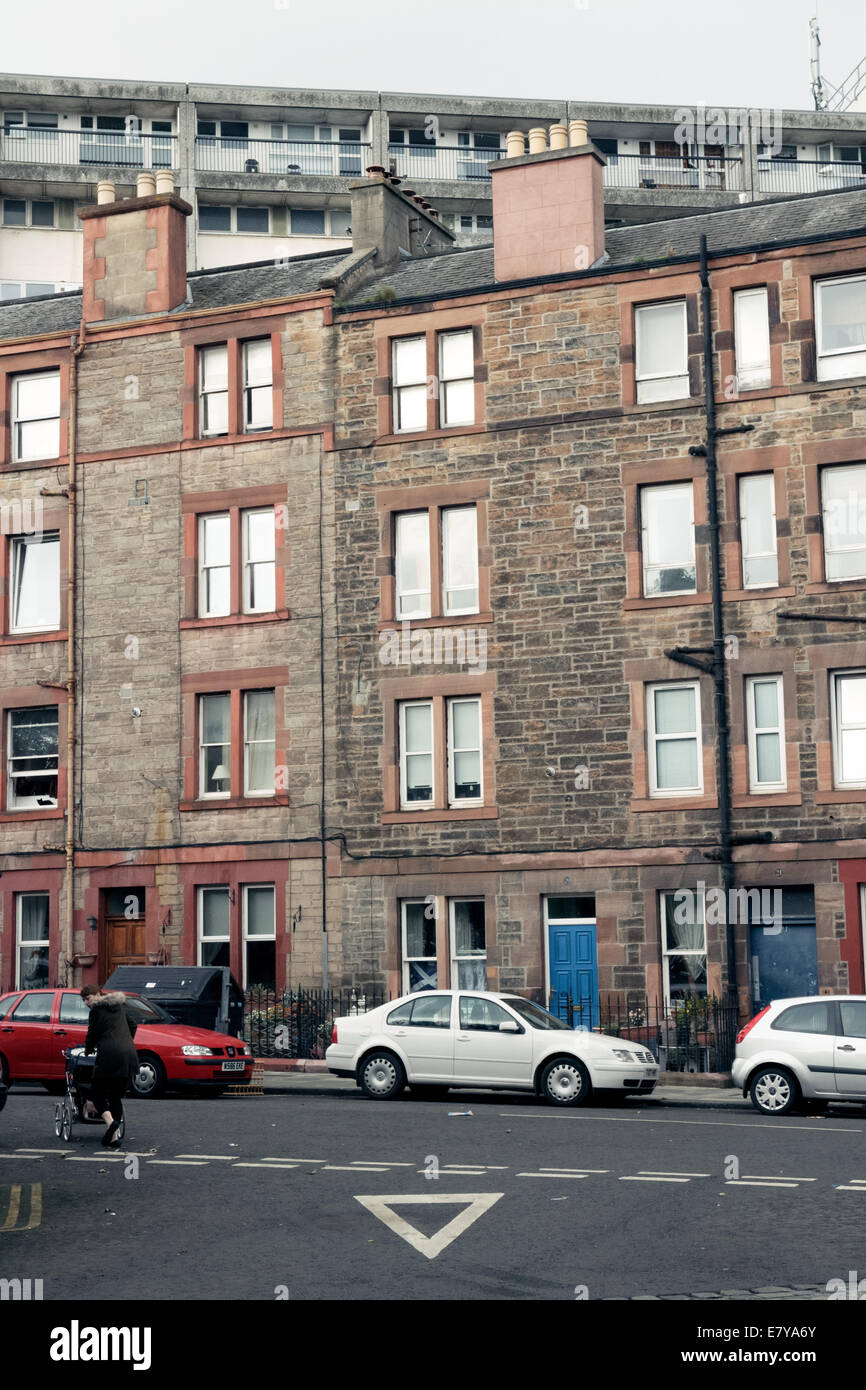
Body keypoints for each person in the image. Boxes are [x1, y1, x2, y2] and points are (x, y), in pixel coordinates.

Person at [81, 986, 139, 1147]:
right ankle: (114, 1137)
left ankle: (111, 1122)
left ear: (98, 994)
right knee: (115, 1096)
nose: (86, 1002)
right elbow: (133, 1025)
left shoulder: (96, 1011)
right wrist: (125, 1041)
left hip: (108, 1055)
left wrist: (87, 1049)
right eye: (84, 1000)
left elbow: (92, 1034)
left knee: (96, 1093)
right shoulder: (119, 1006)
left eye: (88, 998)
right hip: (127, 1055)